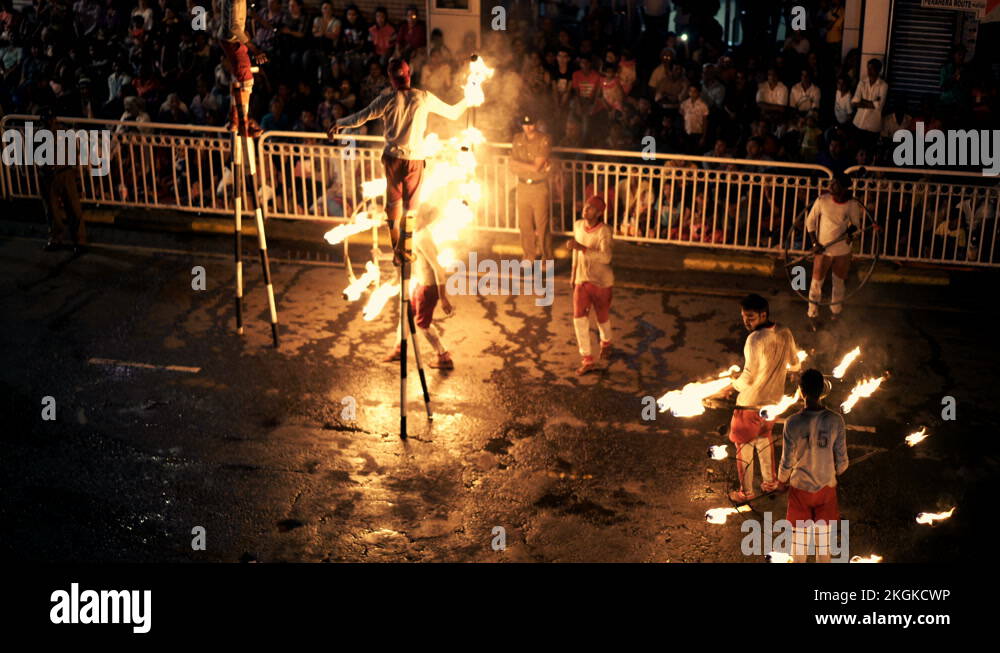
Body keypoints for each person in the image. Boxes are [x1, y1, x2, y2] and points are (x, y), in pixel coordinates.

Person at [329, 58, 470, 263]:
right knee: (410, 208)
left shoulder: (386, 99)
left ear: (390, 78)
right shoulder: (424, 97)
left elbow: (362, 116)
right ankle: (408, 248)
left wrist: (339, 123)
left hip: (392, 159)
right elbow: (454, 113)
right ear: (409, 74)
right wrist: (470, 95)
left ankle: (397, 250)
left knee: (393, 206)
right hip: (414, 160)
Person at [722, 294, 801, 503]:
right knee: (764, 442)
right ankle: (770, 484)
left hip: (749, 404)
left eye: (750, 317)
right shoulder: (785, 331)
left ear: (763, 314)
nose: (746, 321)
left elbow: (748, 377)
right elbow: (795, 363)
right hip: (772, 405)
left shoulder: (754, 339)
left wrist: (730, 386)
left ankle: (745, 492)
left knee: (743, 449)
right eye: (744, 316)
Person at [776, 368, 849, 563]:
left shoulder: (792, 422)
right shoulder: (836, 420)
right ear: (823, 390)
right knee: (824, 550)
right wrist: (832, 469)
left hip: (800, 489)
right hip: (826, 490)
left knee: (798, 551)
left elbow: (787, 461)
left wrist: (781, 482)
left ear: (801, 390)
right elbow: (842, 464)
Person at [384, 208, 455, 369]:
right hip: (419, 284)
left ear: (424, 218)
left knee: (423, 325)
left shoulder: (423, 237)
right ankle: (398, 349)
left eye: (416, 217)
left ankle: (443, 357)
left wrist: (443, 297)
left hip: (427, 288)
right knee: (406, 314)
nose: (412, 220)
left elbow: (438, 268)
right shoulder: (416, 234)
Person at [804, 172, 862, 328]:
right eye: (831, 182)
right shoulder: (822, 200)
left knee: (839, 283)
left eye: (835, 183)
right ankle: (812, 313)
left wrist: (851, 234)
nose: (830, 186)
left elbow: (855, 225)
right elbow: (810, 222)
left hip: (842, 250)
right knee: (816, 283)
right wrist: (815, 242)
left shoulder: (851, 204)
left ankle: (836, 312)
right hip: (823, 250)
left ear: (843, 188)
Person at [567, 195, 614, 375]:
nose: (586, 210)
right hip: (582, 279)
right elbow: (575, 253)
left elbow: (606, 257)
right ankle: (587, 358)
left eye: (591, 208)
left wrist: (582, 248)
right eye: (586, 206)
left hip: (601, 282)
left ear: (599, 213)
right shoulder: (578, 226)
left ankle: (606, 342)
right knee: (578, 317)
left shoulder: (604, 232)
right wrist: (573, 275)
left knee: (602, 316)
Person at [37, 107, 87, 253]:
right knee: (53, 210)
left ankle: (78, 240)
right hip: (50, 174)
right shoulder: (38, 135)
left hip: (63, 173)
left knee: (71, 208)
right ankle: (60, 238)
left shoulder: (62, 133)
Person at [510, 113, 553, 262]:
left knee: (542, 226)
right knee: (525, 225)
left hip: (538, 188)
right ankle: (528, 257)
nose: (528, 127)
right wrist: (530, 167)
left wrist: (522, 165)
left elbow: (537, 167)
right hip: (522, 186)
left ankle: (547, 259)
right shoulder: (517, 139)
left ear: (536, 123)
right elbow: (512, 166)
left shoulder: (544, 140)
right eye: (525, 124)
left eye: (531, 124)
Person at [851, 58, 888, 156]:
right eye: (868, 68)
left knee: (869, 154)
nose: (869, 71)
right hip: (858, 123)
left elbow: (880, 106)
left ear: (878, 70)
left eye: (872, 69)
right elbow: (855, 102)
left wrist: (863, 101)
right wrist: (872, 103)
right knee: (856, 153)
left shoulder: (883, 85)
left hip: (873, 127)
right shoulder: (862, 82)